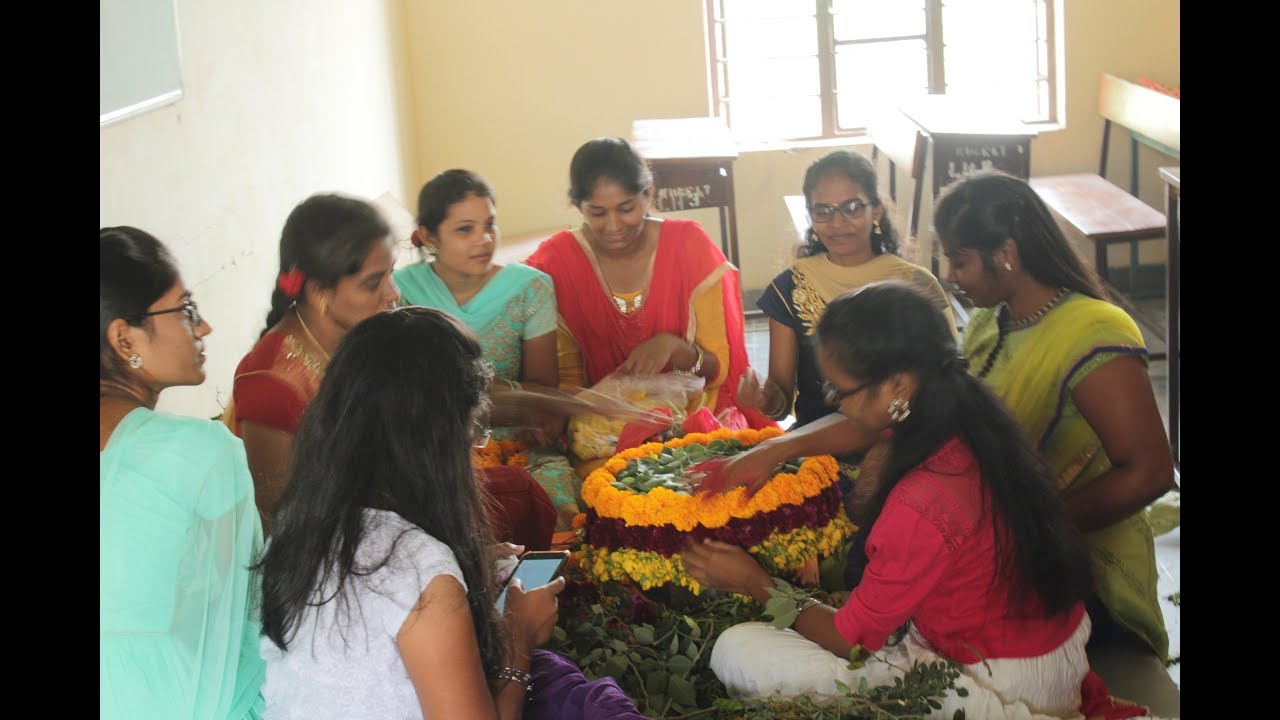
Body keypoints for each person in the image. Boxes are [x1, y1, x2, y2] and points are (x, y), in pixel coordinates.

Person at [685, 281, 1130, 719]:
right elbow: (864, 423)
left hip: (992, 682)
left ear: (897, 385)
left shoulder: (924, 498)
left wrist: (753, 582)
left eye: (839, 390)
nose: (833, 401)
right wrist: (773, 450)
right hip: (1048, 653)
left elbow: (850, 641)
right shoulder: (960, 412)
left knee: (737, 650)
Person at [255, 306, 645, 720]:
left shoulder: (298, 524)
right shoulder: (418, 568)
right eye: (474, 433)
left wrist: (463, 569)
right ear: (439, 443)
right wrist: (520, 635)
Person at [934, 169, 1175, 661]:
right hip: (1004, 546)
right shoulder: (989, 319)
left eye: (960, 261)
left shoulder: (1093, 332)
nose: (951, 277)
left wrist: (1026, 532)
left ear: (1006, 252)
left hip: (1081, 571)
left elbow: (1151, 473)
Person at [225, 192, 556, 546]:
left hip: (397, 516)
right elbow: (286, 529)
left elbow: (449, 398)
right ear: (319, 291)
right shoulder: (271, 384)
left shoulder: (365, 335)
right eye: (373, 282)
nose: (393, 294)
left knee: (521, 493)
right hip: (345, 548)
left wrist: (558, 403)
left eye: (390, 274)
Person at [101, 226, 265, 719]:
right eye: (185, 308)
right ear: (124, 338)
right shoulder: (200, 452)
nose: (204, 326)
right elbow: (238, 628)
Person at [524, 136, 776, 443]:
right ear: (578, 207)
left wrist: (676, 348)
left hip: (695, 415)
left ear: (648, 194)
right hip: (604, 426)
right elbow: (567, 383)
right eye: (598, 213)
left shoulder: (689, 246)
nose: (614, 226)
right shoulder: (557, 262)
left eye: (626, 208)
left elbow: (718, 372)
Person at [394, 169, 580, 529]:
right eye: (465, 229)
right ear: (429, 236)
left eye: (490, 225)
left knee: (556, 509)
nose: (484, 239)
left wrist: (538, 417)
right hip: (433, 445)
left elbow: (542, 390)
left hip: (514, 439)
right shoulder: (401, 291)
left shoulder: (529, 287)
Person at [740, 149, 956, 429]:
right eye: (823, 211)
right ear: (810, 216)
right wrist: (763, 398)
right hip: (816, 445)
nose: (837, 223)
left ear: (876, 210)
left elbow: (945, 385)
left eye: (851, 208)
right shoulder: (790, 288)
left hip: (904, 441)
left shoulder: (917, 285)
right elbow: (780, 405)